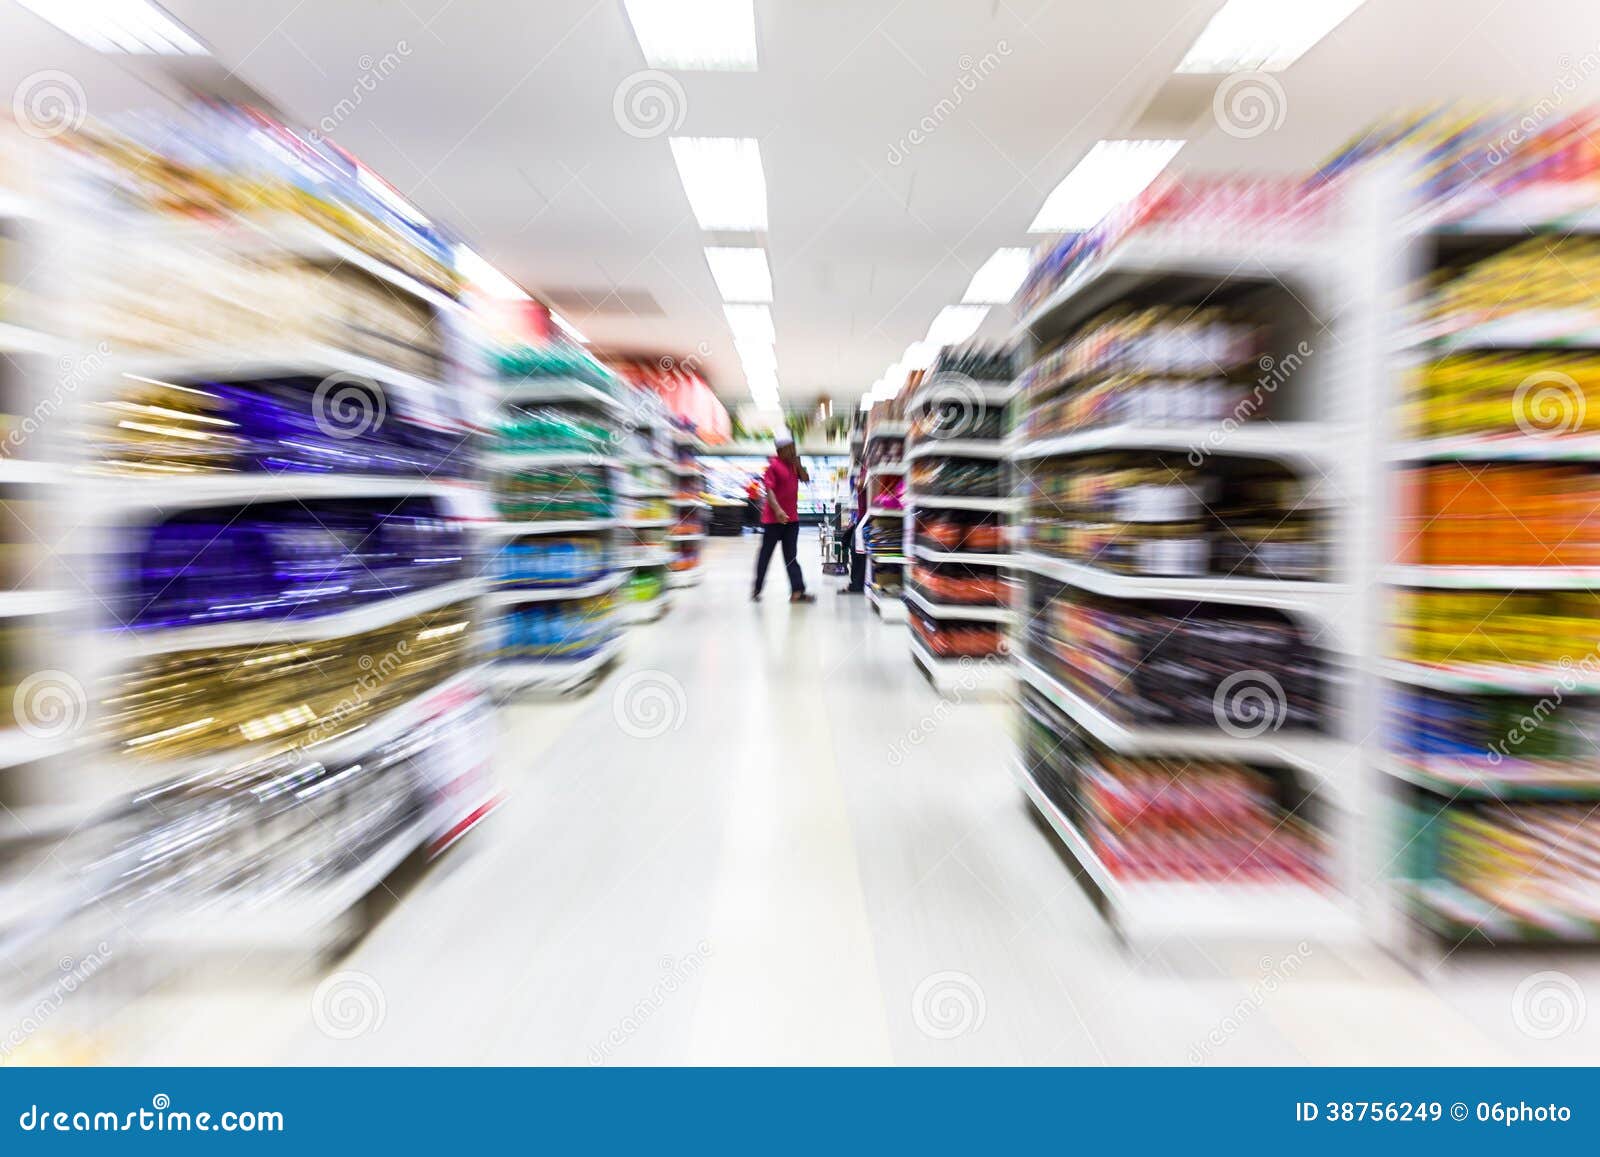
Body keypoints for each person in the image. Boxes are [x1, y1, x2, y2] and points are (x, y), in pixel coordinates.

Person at [752, 433, 815, 603]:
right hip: (773, 521)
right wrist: (778, 510)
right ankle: (757, 588)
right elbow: (769, 491)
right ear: (780, 450)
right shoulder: (773, 466)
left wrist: (799, 465)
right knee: (766, 555)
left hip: (791, 521)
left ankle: (798, 591)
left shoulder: (793, 465)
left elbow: (806, 479)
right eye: (790, 448)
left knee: (791, 556)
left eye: (794, 447)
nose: (793, 451)